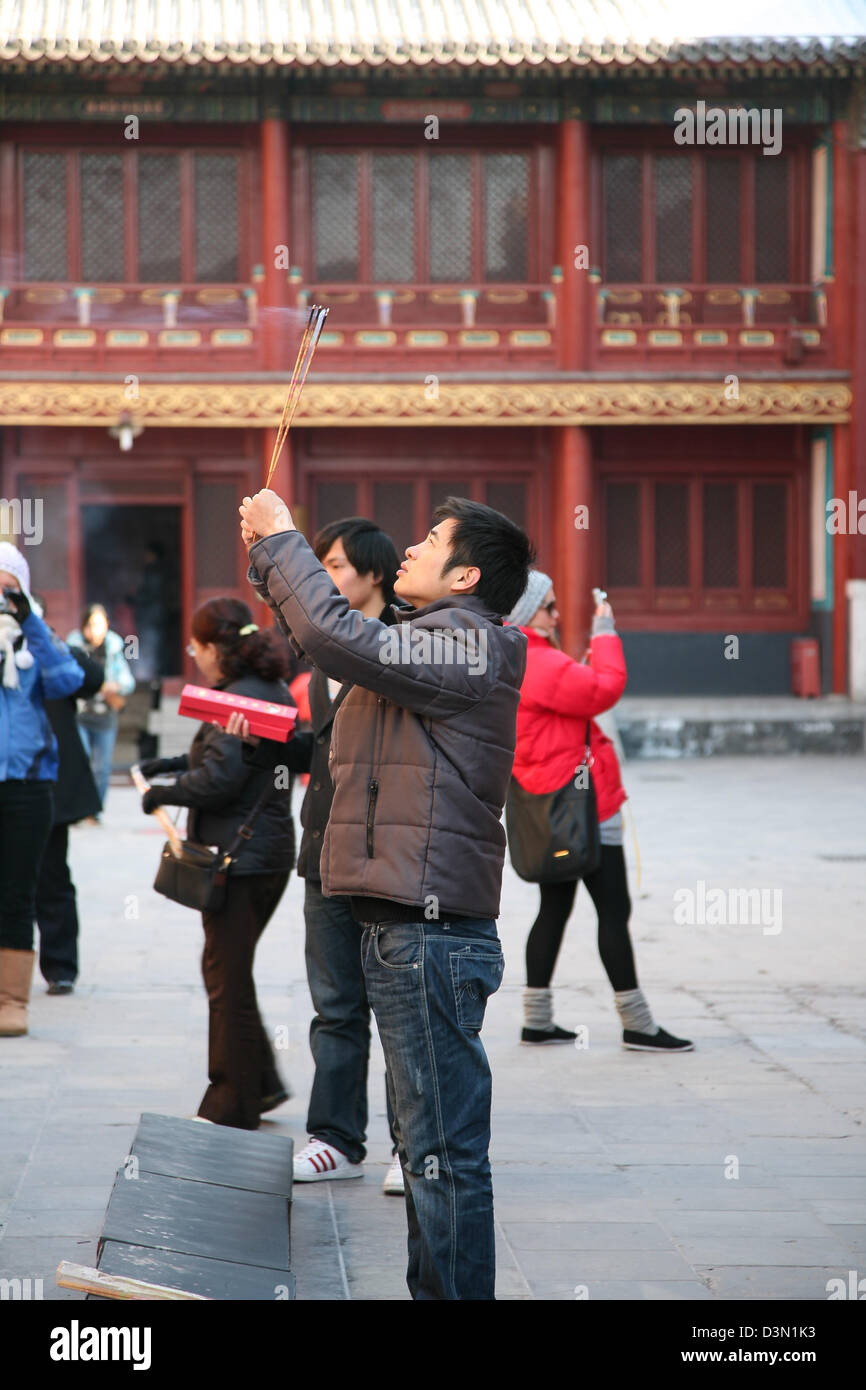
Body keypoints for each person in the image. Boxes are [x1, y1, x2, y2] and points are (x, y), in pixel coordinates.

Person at [239, 487, 532, 1302]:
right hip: (400, 921)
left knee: (442, 1156)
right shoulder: (427, 640)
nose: (409, 549)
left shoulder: (472, 648)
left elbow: (338, 637)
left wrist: (285, 540)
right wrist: (273, 559)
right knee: (430, 1149)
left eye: (431, 541)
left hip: (431, 932)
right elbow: (334, 635)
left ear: (467, 575)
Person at [236, 518, 404, 1193]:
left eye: (336, 566)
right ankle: (336, 1138)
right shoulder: (321, 667)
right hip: (323, 848)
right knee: (334, 1006)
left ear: (375, 574)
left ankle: (411, 1145)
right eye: (322, 565)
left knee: (398, 1008)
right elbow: (324, 753)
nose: (327, 578)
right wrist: (269, 742)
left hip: (386, 853)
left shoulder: (402, 646)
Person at [506, 571, 693, 1052]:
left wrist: (583, 666)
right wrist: (605, 632)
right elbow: (606, 689)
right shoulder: (539, 659)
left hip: (550, 804)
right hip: (583, 805)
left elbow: (573, 696)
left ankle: (537, 1019)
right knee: (614, 909)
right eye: (549, 606)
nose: (557, 614)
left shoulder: (520, 656)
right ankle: (638, 1024)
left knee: (555, 907)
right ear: (529, 613)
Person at [138, 597, 296, 1129]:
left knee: (225, 976)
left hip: (242, 858)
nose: (194, 655)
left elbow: (221, 780)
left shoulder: (240, 697)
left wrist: (164, 792)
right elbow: (220, 757)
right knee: (233, 971)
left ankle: (232, 1101)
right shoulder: (261, 689)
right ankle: (263, 1084)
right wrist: (171, 764)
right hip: (263, 853)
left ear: (212, 648)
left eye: (195, 646)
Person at [0, 543, 85, 1036]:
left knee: (18, 893)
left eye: (9, 590)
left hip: (30, 787)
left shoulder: (37, 646)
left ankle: (13, 1001)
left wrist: (29, 621)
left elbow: (68, 680)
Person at [34, 596, 104, 994]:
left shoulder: (54, 657)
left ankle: (60, 967)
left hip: (49, 784)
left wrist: (47, 641)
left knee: (53, 878)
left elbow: (92, 678)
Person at [67, 604, 135, 816]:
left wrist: (113, 685)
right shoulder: (74, 647)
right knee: (82, 762)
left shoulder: (113, 647)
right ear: (84, 626)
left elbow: (127, 680)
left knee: (102, 767)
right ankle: (79, 808)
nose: (97, 629)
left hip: (105, 715)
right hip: (81, 713)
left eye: (101, 624)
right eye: (92, 624)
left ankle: (94, 811)